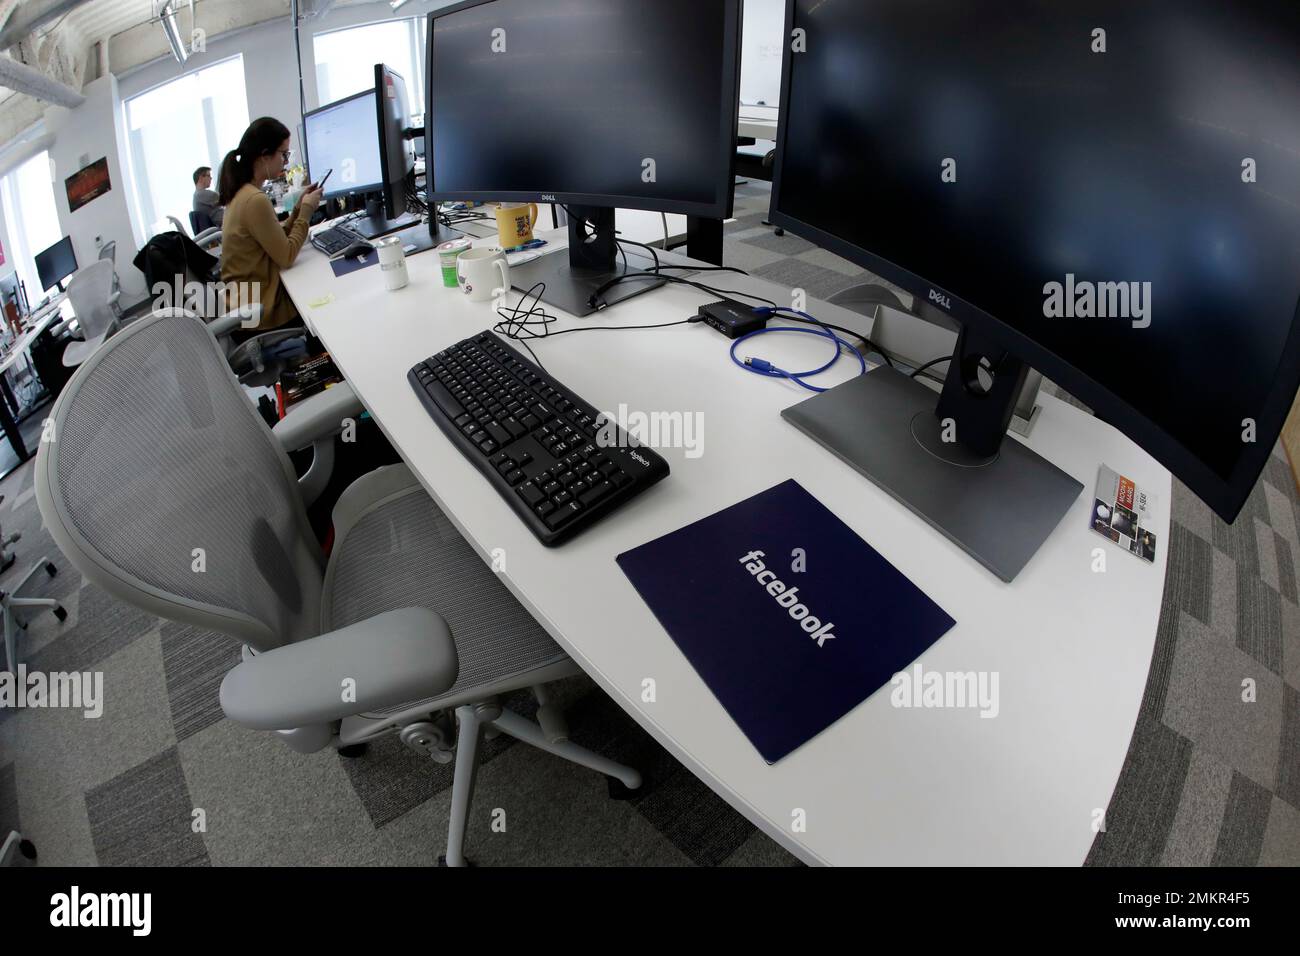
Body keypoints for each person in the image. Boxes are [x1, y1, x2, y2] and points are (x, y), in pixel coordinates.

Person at [217, 118, 323, 334]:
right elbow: (286, 255)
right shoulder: (254, 199)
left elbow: (274, 240)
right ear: (264, 155)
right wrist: (307, 211)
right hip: (261, 312)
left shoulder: (243, 193)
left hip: (246, 303)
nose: (285, 161)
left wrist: (297, 210)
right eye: (283, 154)